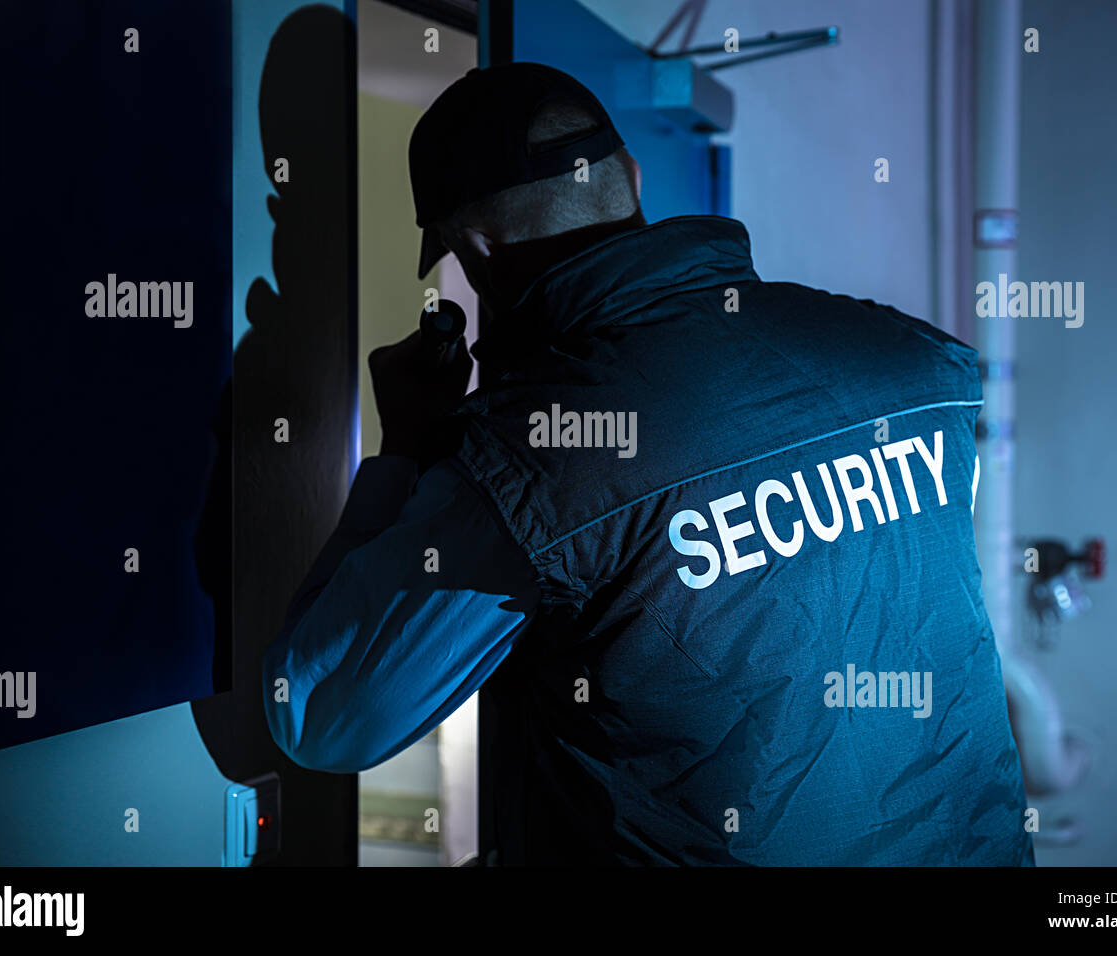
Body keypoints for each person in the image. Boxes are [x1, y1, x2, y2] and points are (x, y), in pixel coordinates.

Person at [263, 62, 1035, 866]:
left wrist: (406, 452)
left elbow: (320, 714)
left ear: (477, 251)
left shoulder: (539, 456)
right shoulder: (912, 365)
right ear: (631, 178)